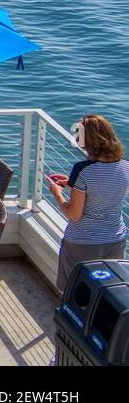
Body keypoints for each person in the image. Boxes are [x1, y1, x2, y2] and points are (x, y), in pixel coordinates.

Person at [47, 114, 129, 292]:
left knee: (75, 292)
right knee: (107, 292)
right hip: (115, 239)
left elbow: (74, 214)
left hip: (83, 242)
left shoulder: (82, 170)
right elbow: (105, 193)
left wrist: (57, 194)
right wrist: (72, 184)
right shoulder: (126, 167)